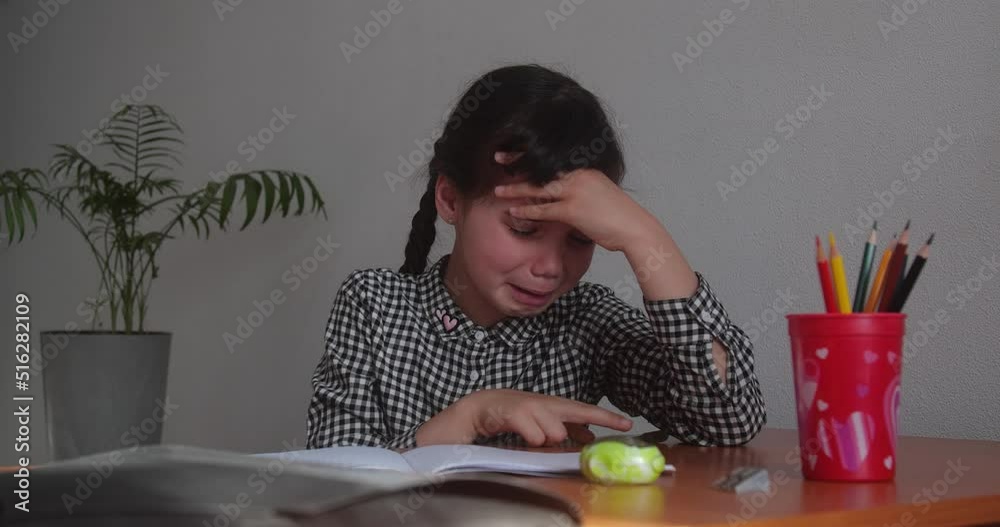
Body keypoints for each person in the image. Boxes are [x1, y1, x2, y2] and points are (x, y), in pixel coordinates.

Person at [306, 63, 766, 450]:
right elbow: (334, 482)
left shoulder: (584, 318)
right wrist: (472, 417)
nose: (550, 268)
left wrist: (646, 238)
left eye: (580, 239)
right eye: (524, 229)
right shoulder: (375, 305)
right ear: (450, 200)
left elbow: (728, 421)